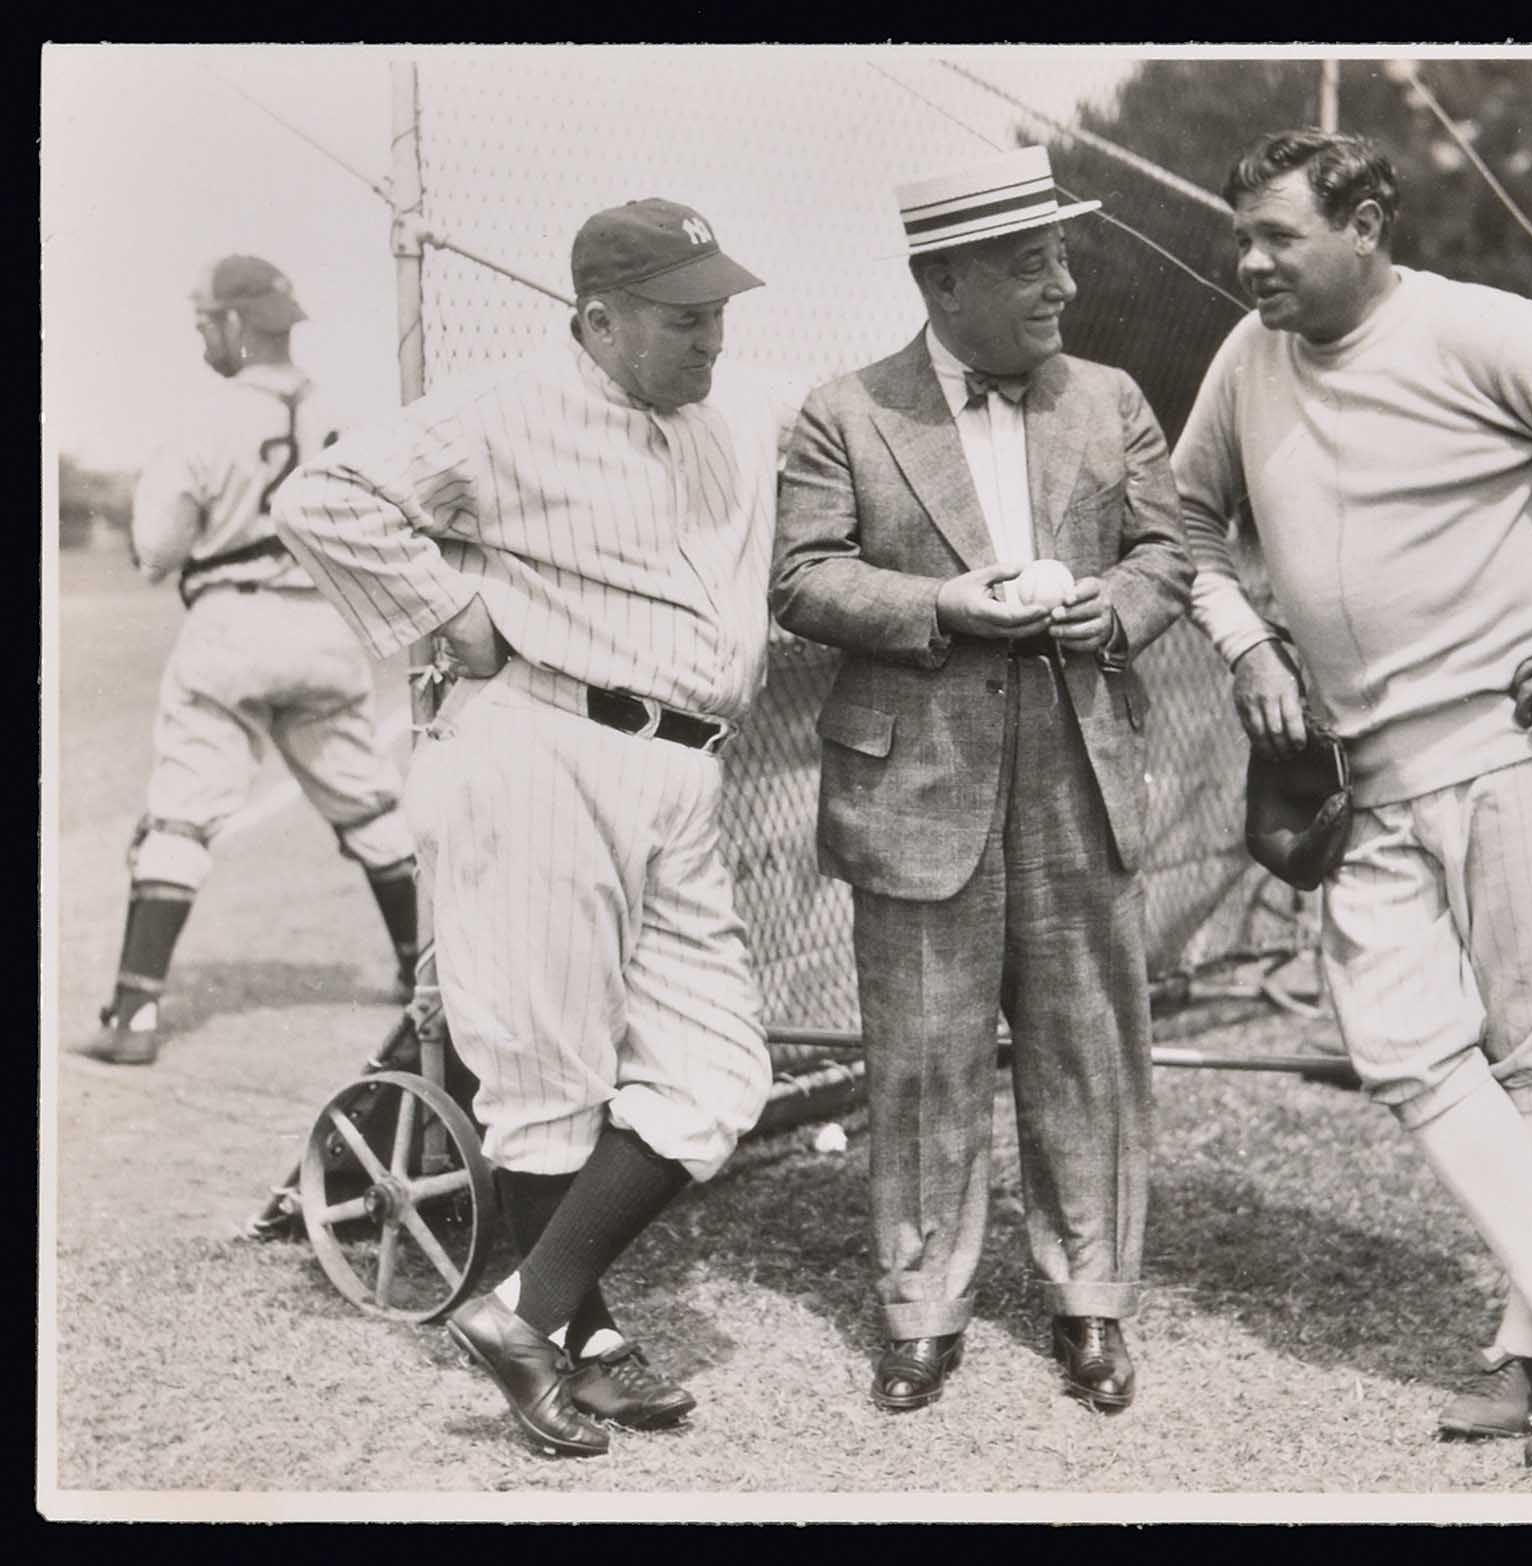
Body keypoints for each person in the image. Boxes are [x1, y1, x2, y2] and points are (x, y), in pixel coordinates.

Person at [1172, 129, 1532, 1469]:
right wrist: (1246, 640)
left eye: (1279, 237)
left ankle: (1530, 1345)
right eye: (1240, 237)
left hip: (1519, 737)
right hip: (1367, 763)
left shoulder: (1484, 329)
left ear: (1366, 222)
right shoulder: (1249, 360)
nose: (1250, 263)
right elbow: (1181, 516)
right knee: (1405, 1040)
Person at [272, 200, 790, 1458]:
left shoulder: (713, 428)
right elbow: (324, 500)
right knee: (547, 1080)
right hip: (543, 748)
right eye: (683, 317)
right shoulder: (504, 405)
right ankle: (582, 1344)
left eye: (718, 312)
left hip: (677, 769)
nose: (710, 338)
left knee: (718, 1075)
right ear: (600, 317)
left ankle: (526, 1315)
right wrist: (452, 612)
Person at [772, 145, 1193, 1416]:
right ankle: (920, 1311)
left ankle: (1091, 1306)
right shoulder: (842, 412)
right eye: (1029, 263)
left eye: (1060, 255)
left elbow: (1168, 553)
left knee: (1089, 1046)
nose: (1060, 283)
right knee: (922, 1055)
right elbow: (801, 579)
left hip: (1080, 773)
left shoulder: (1110, 398)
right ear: (943, 283)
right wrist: (941, 604)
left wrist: (1111, 612)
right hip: (918, 786)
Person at [80, 256, 419, 1067]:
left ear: (234, 324)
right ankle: (423, 974)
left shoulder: (204, 417)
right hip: (328, 628)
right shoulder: (348, 416)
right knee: (370, 807)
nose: (203, 334)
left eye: (206, 321)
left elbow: (157, 549)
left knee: (183, 814)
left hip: (231, 626)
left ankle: (133, 1014)